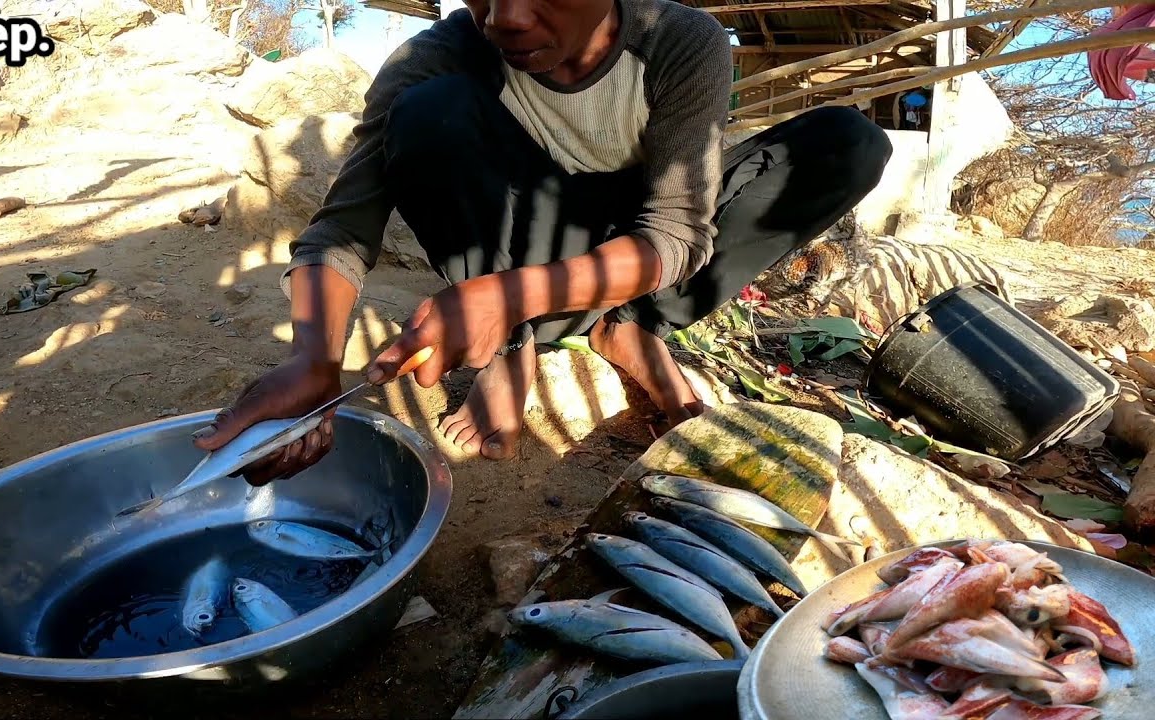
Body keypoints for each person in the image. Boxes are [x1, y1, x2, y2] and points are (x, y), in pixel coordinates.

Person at [192, 0, 893, 485]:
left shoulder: (681, 42)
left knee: (846, 143)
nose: (506, 18)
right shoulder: (442, 56)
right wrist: (314, 358)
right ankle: (511, 347)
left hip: (625, 246)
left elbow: (676, 231)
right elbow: (345, 224)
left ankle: (630, 325)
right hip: (522, 225)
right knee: (427, 115)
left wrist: (513, 294)